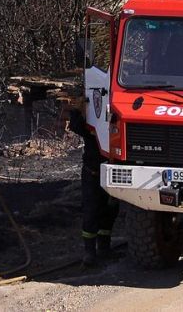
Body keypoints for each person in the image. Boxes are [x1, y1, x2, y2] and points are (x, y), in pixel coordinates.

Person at [65, 97, 118, 266]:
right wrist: (75, 111)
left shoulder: (114, 126)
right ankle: (89, 252)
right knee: (91, 211)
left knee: (110, 210)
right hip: (92, 173)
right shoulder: (90, 126)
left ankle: (104, 247)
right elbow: (75, 126)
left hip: (111, 173)